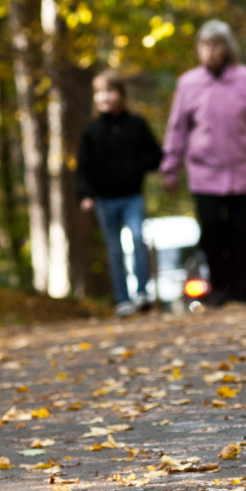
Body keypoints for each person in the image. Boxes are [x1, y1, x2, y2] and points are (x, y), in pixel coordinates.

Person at [161, 20, 246, 305]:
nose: (210, 51)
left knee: (242, 232)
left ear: (227, 48)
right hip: (204, 172)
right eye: (204, 45)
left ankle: (244, 289)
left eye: (216, 45)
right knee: (212, 232)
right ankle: (220, 288)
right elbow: (177, 128)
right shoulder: (188, 83)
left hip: (242, 169)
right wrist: (170, 167)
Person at [76, 70, 163, 315]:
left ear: (121, 95)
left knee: (137, 239)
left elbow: (155, 155)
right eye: (99, 93)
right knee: (114, 249)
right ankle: (122, 299)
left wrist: (136, 166)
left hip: (132, 196)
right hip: (104, 199)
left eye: (109, 92)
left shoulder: (136, 125)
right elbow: (84, 166)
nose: (104, 98)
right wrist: (85, 195)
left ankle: (142, 293)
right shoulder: (91, 131)